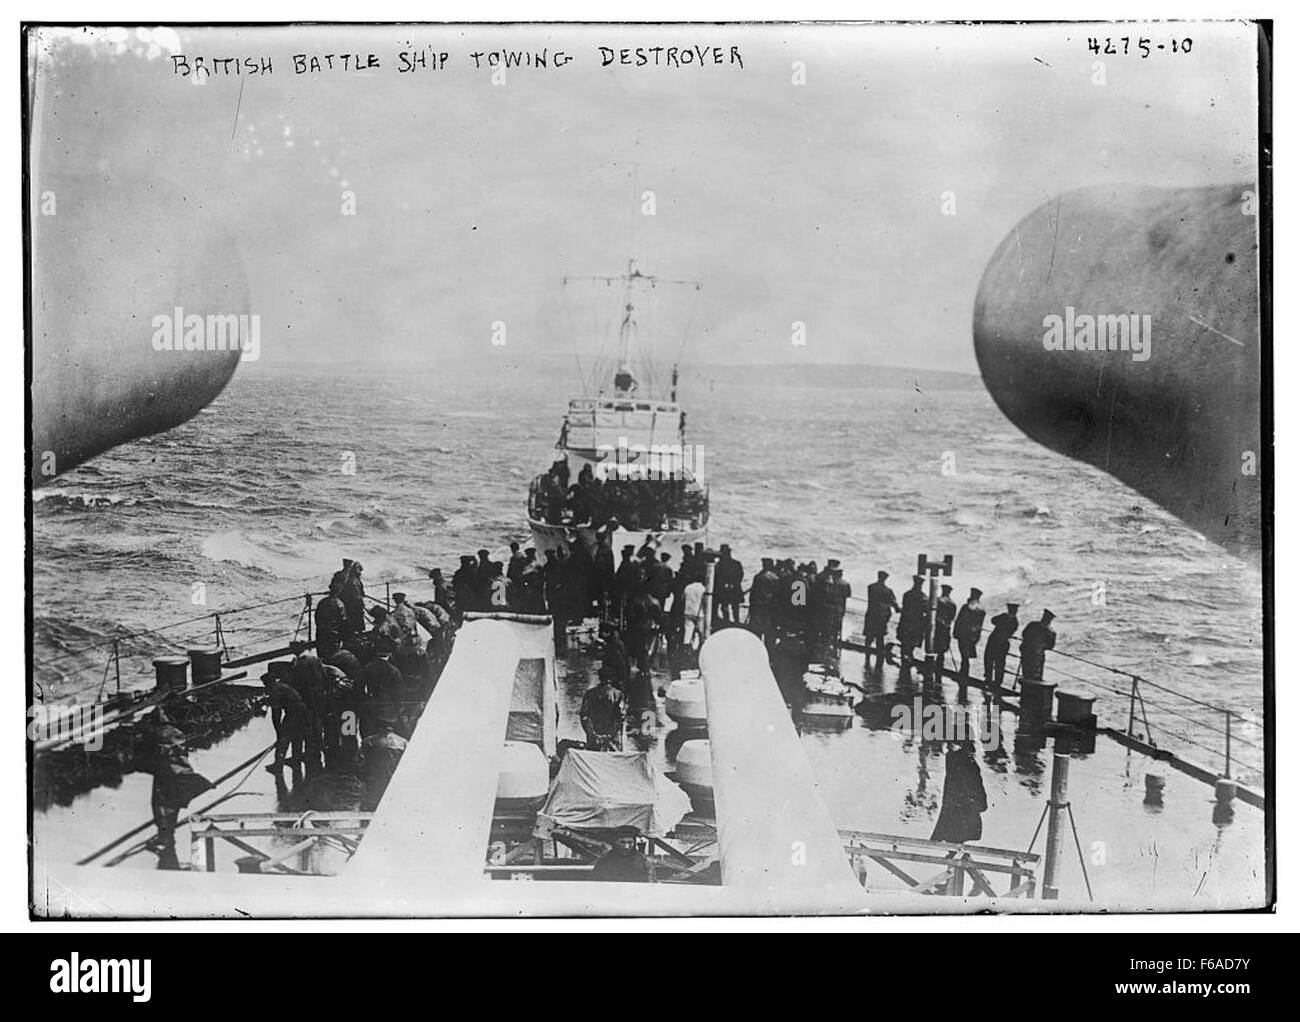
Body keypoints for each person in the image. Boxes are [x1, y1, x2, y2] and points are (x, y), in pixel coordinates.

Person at [146, 710, 212, 869]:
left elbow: (153, 758)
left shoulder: (158, 734)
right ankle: (167, 838)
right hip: (179, 775)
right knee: (171, 805)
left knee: (161, 806)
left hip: (167, 776)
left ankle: (165, 840)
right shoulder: (176, 733)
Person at [930, 740, 988, 844]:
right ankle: (959, 855)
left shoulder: (960, 759)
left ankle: (958, 855)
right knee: (956, 834)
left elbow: (973, 782)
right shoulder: (960, 758)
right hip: (959, 803)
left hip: (959, 803)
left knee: (954, 834)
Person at [263, 670, 309, 774]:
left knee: (284, 739)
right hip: (303, 710)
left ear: (268, 683)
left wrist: (279, 730)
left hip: (294, 712)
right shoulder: (282, 686)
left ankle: (278, 765)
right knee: (298, 736)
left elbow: (276, 713)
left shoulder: (275, 691)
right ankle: (296, 760)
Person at [579, 674, 625, 751]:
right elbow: (620, 717)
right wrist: (610, 735)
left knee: (594, 759)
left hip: (594, 738)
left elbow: (583, 716)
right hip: (613, 740)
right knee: (615, 760)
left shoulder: (589, 693)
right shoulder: (618, 694)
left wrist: (591, 733)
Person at [984, 602, 1020, 692]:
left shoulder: (1004, 617)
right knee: (999, 663)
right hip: (1003, 643)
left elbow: (993, 620)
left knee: (989, 660)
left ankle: (988, 680)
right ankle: (997, 683)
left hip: (995, 641)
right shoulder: (1015, 622)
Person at [864, 571, 900, 657]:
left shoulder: (871, 587)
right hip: (881, 618)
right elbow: (895, 606)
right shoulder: (887, 591)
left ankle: (867, 657)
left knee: (869, 638)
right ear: (885, 579)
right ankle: (879, 661)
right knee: (880, 638)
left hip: (871, 615)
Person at [953, 588, 985, 681]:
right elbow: (980, 624)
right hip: (974, 636)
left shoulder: (966, 607)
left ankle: (963, 675)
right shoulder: (981, 609)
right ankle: (964, 674)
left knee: (964, 655)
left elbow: (960, 621)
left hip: (964, 634)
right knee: (966, 655)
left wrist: (955, 632)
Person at [313, 584, 350, 660]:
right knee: (333, 658)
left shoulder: (322, 602)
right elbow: (343, 622)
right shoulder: (339, 604)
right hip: (333, 638)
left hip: (321, 636)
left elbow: (317, 618)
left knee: (322, 657)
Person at [897, 575, 928, 665]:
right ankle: (907, 663)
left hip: (906, 623)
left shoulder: (907, 594)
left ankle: (905, 662)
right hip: (916, 625)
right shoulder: (924, 597)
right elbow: (926, 611)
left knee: (904, 645)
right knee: (911, 645)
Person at [1019, 610, 1057, 681]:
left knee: (1027, 673)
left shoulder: (1033, 625)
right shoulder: (1051, 632)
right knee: (1035, 674)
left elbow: (1024, 634)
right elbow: (1050, 646)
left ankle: (1027, 688)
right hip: (1037, 655)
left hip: (1028, 652)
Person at [748, 557, 777, 640]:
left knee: (757, 631)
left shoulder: (758, 577)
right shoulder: (775, 578)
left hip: (758, 607)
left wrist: (751, 607)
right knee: (769, 631)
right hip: (770, 608)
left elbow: (753, 594)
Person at [714, 544, 744, 624]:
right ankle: (731, 622)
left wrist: (730, 584)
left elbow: (740, 575)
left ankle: (731, 622)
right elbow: (740, 575)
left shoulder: (720, 565)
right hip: (730, 589)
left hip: (728, 589)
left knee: (730, 607)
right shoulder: (735, 564)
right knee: (730, 607)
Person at [337, 560, 367, 635]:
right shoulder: (353, 580)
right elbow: (356, 595)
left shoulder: (353, 579)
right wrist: (361, 604)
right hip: (354, 606)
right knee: (355, 623)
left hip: (350, 604)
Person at [933, 583, 957, 671]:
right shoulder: (953, 603)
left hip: (937, 627)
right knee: (942, 649)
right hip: (946, 628)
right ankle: (939, 666)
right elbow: (952, 617)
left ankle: (930, 667)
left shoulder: (937, 600)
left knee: (932, 646)